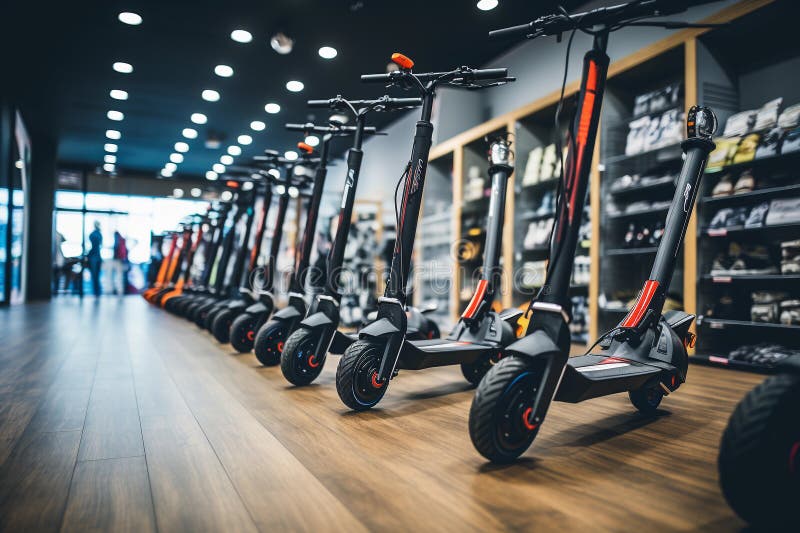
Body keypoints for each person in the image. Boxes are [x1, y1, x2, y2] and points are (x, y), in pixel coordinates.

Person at [87, 221, 103, 296]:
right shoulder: (99, 234)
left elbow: (95, 246)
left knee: (95, 276)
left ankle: (96, 292)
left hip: (94, 257)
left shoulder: (94, 234)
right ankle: (97, 292)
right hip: (97, 257)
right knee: (96, 276)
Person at [112, 230, 128, 295]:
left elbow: (117, 249)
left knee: (118, 276)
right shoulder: (122, 240)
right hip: (122, 260)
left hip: (118, 260)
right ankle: (121, 290)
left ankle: (120, 291)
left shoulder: (118, 240)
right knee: (120, 276)